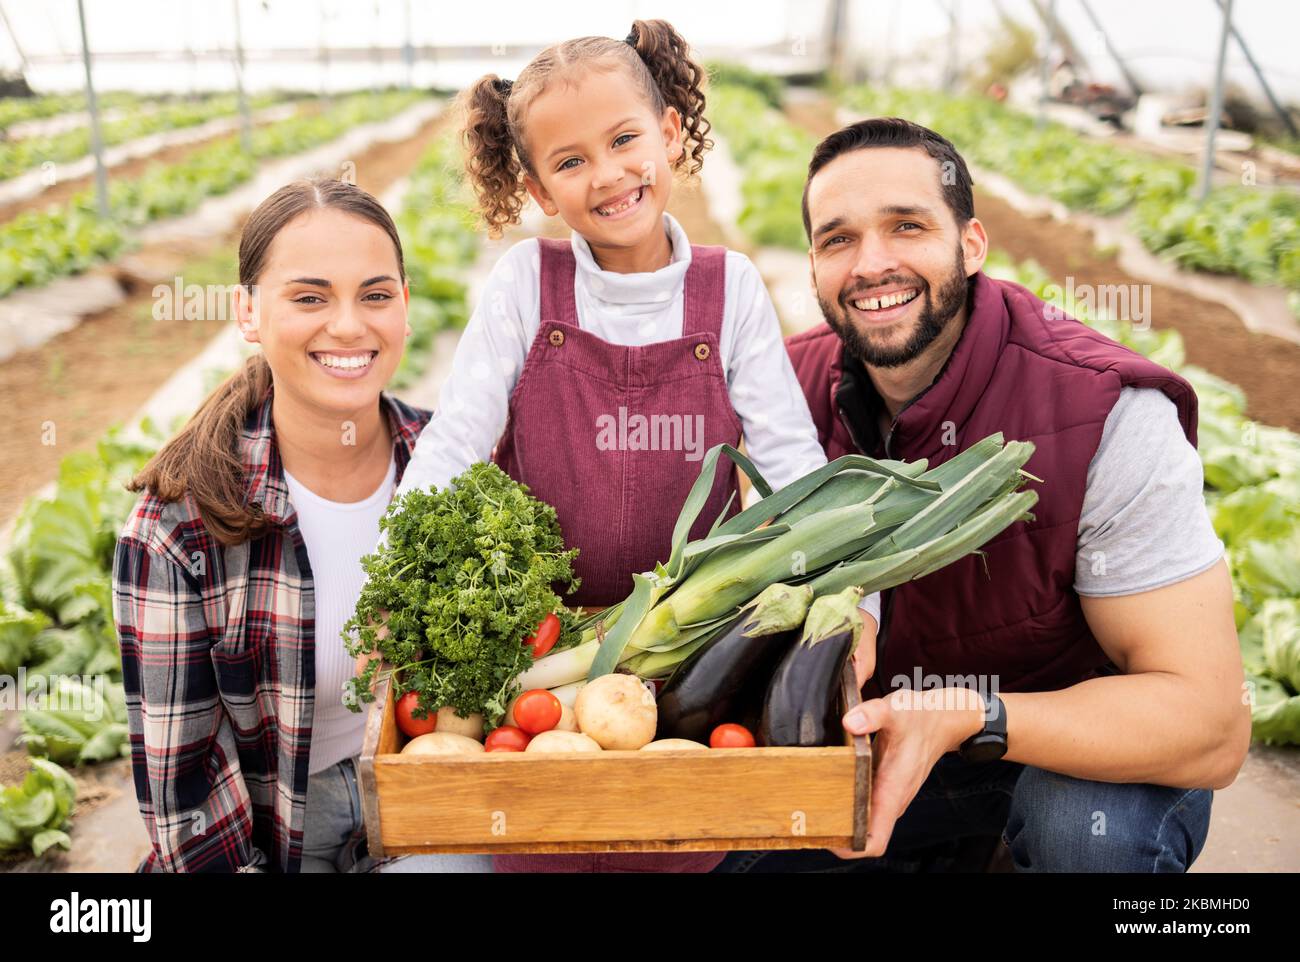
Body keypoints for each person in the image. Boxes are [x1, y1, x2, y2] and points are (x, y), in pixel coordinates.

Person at [385, 19, 878, 872]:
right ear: (538, 189)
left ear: (671, 135)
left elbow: (794, 465)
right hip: (540, 643)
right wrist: (395, 579)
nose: (608, 175)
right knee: (540, 834)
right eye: (571, 162)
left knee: (670, 837)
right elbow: (453, 442)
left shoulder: (730, 291)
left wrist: (858, 607)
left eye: (624, 140)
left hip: (686, 649)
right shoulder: (522, 286)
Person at [716, 117, 1252, 873]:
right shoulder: (779, 401)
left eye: (907, 226)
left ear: (971, 244)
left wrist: (970, 717)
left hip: (1060, 748)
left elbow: (1210, 724)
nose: (872, 263)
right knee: (703, 843)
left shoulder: (1105, 412)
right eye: (838, 239)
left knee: (1085, 834)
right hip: (873, 742)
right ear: (811, 265)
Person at [113, 178, 491, 873]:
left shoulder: (451, 470)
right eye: (310, 297)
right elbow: (186, 797)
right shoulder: (176, 528)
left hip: (427, 804)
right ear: (248, 312)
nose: (348, 325)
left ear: (406, 307)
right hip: (277, 837)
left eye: (375, 295)